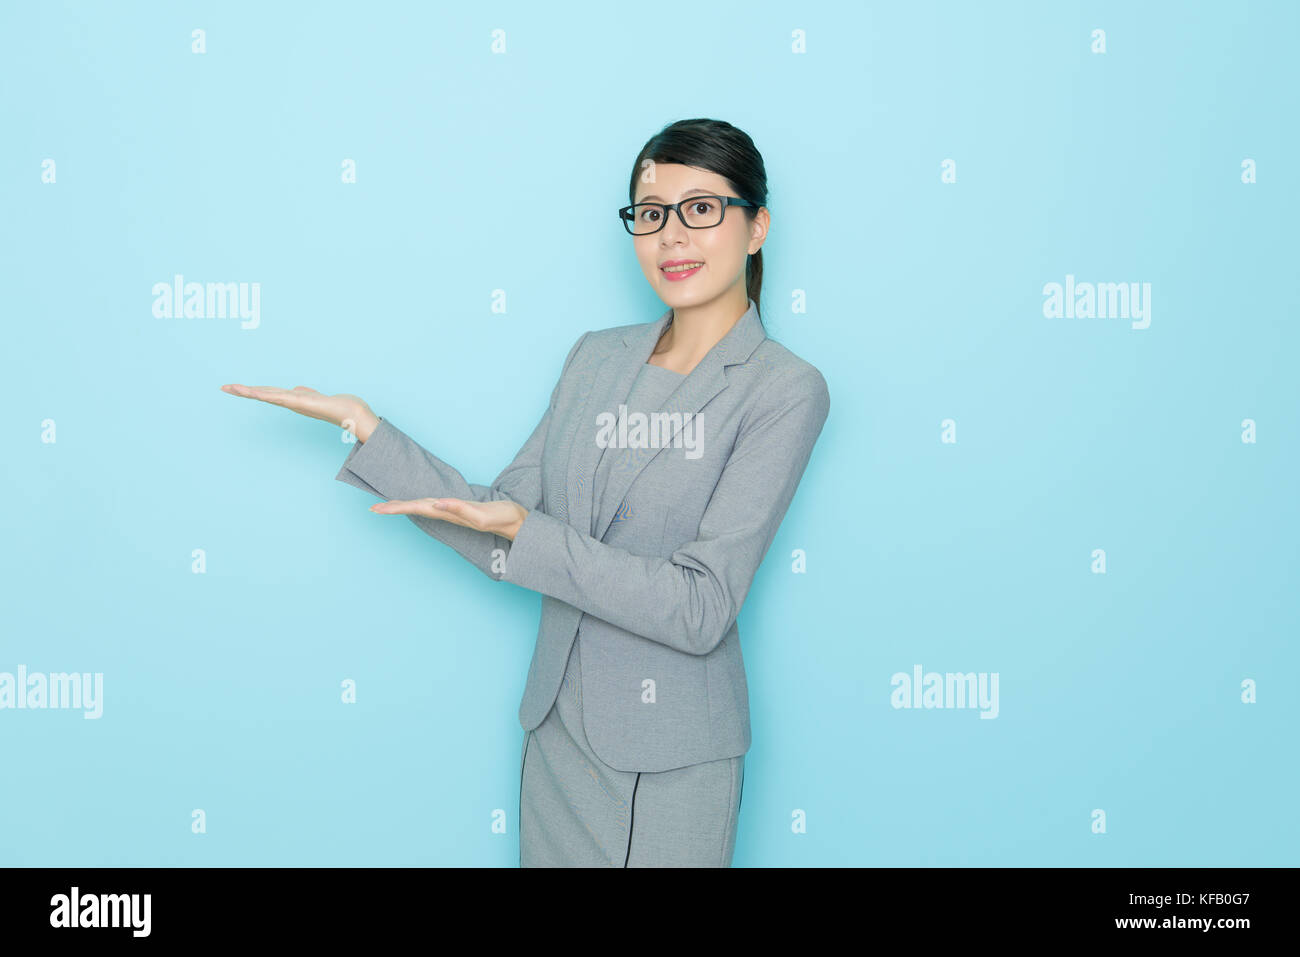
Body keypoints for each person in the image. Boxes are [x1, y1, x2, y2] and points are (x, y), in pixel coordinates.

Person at [222, 118, 830, 867]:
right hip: (556, 739)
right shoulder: (595, 359)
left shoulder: (784, 389)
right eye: (651, 213)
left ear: (757, 225)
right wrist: (368, 430)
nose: (673, 236)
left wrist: (526, 533)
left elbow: (700, 606)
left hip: (671, 756)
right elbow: (503, 531)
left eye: (701, 209)